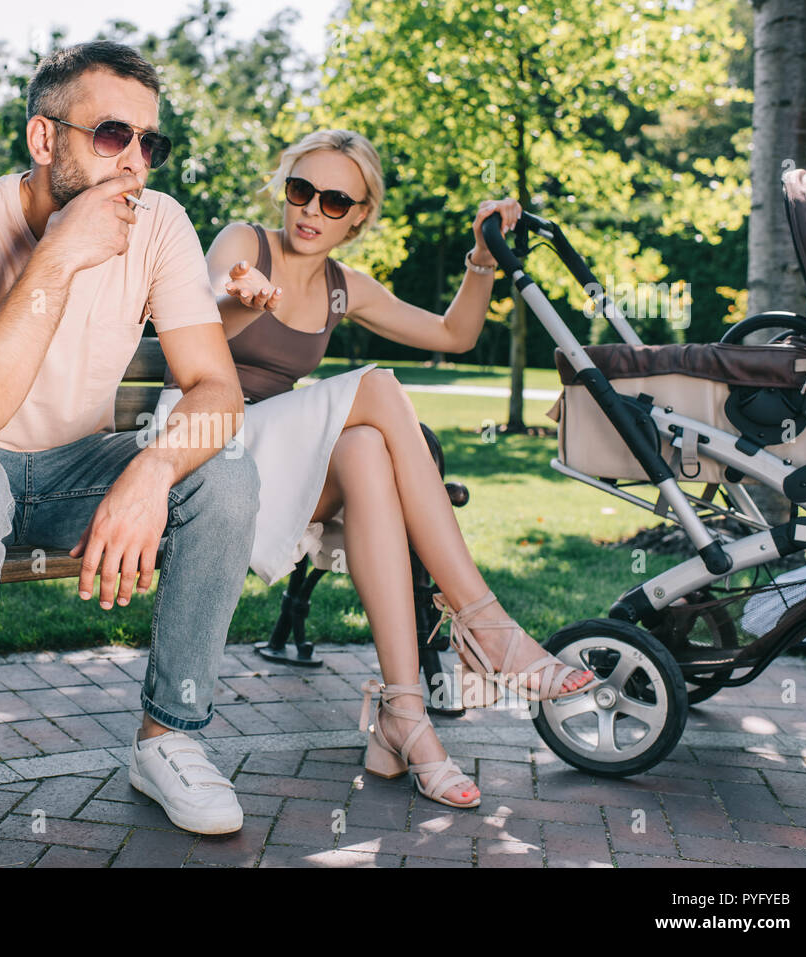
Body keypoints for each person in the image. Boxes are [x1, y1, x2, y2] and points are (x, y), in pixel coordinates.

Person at [0, 41, 261, 858]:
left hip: (66, 473)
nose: (136, 165)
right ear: (44, 140)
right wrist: (59, 251)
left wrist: (152, 469)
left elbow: (217, 389)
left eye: (150, 143)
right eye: (113, 136)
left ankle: (169, 740)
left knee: (221, 471)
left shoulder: (161, 226)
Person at [153, 129, 601, 810]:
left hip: (267, 463)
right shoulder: (247, 244)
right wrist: (241, 300)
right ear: (284, 188)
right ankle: (485, 625)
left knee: (365, 449)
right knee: (379, 389)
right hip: (201, 443)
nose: (312, 210)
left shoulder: (342, 288)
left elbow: (454, 335)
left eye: (336, 201)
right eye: (301, 191)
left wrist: (480, 261)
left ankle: (404, 714)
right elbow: (202, 320)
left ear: (359, 216)